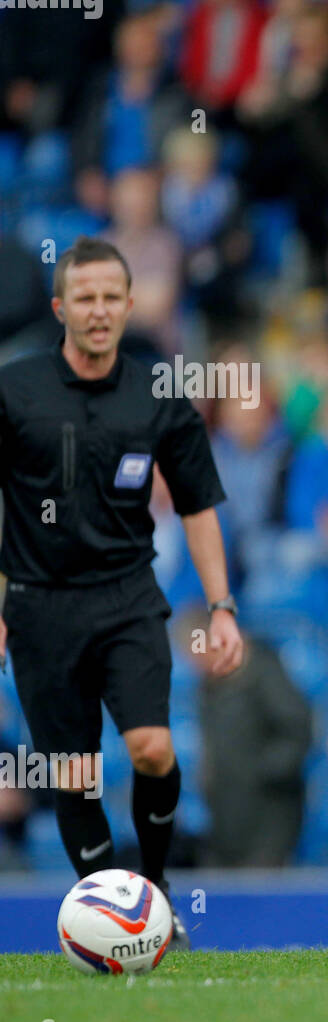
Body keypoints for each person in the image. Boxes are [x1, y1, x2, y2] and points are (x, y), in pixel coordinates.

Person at [0, 236, 245, 947]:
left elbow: (198, 503)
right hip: (40, 604)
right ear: (60, 307)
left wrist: (222, 605)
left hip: (127, 596)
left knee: (152, 749)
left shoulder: (159, 392)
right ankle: (106, 914)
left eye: (112, 297)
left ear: (130, 304)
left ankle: (158, 889)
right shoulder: (15, 391)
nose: (100, 310)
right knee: (74, 774)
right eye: (85, 298)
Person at [184, 613, 312, 868]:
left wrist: (263, 773)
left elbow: (297, 728)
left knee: (260, 887)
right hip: (226, 815)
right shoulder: (208, 689)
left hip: (269, 814)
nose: (196, 663)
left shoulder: (264, 672)